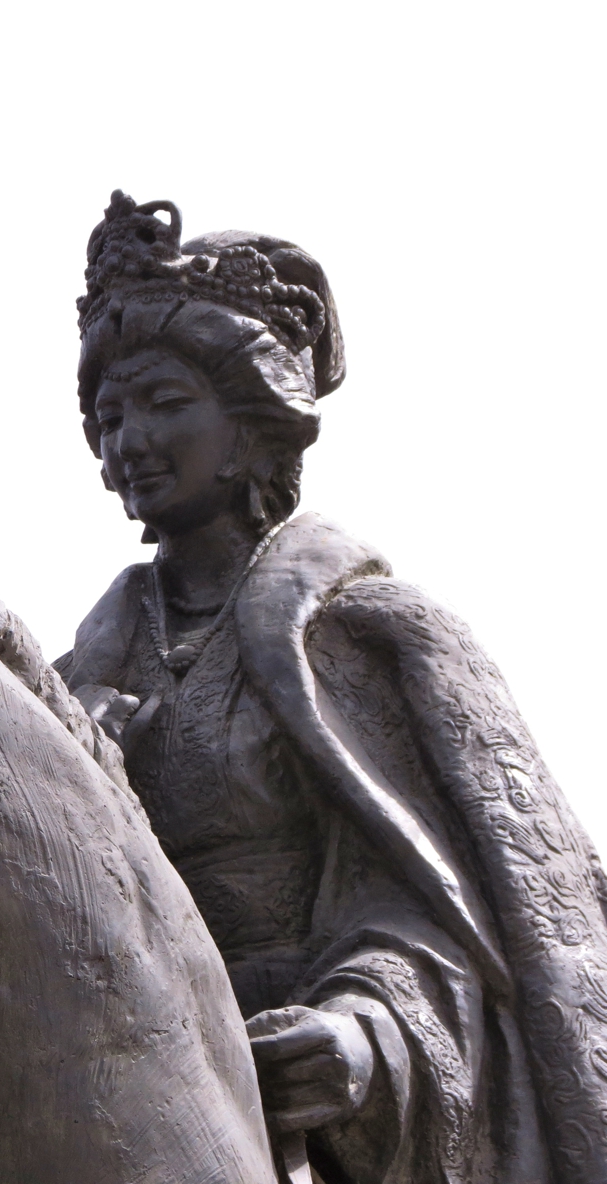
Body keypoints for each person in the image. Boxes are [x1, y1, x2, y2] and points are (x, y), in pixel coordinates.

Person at [55, 191, 607, 1183]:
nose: (126, 438)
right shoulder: (69, 678)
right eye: (107, 413)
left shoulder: (375, 639)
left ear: (257, 419)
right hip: (110, 1070)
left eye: (164, 402)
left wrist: (365, 1036)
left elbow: (437, 921)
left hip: (296, 1084)